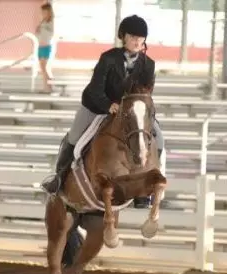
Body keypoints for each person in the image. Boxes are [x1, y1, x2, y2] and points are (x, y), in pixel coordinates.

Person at [41, 14, 165, 209]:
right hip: (97, 106)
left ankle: (146, 188)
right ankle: (58, 179)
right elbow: (95, 89)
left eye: (140, 38)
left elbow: (144, 93)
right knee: (74, 138)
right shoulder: (108, 59)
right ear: (123, 37)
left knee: (160, 138)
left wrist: (131, 109)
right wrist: (109, 105)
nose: (137, 41)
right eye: (133, 37)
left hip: (131, 113)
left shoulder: (148, 64)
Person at [36, 2, 55, 93]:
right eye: (42, 12)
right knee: (42, 69)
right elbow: (39, 34)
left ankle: (48, 87)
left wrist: (41, 29)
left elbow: (49, 34)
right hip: (40, 46)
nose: (43, 14)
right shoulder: (43, 22)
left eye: (45, 12)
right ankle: (47, 87)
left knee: (44, 68)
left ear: (49, 13)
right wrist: (38, 30)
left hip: (46, 47)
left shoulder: (50, 23)